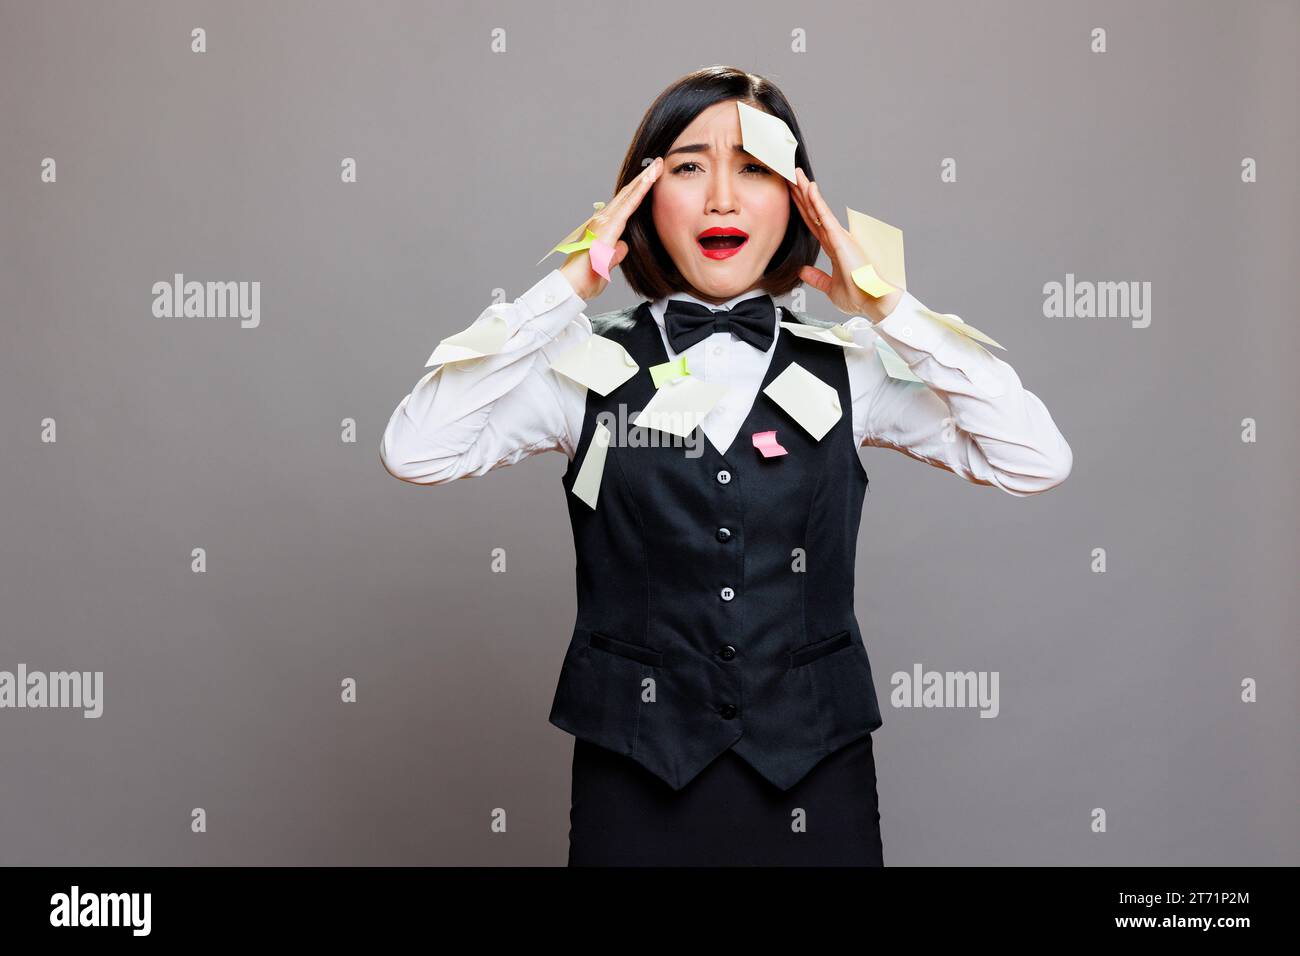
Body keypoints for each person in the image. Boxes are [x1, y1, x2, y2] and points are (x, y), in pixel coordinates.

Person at [380, 66, 1073, 866]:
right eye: (687, 166)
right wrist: (570, 284)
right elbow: (415, 449)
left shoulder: (856, 365)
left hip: (815, 772)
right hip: (634, 774)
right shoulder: (579, 364)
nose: (721, 198)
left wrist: (889, 308)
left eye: (754, 169)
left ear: (796, 200)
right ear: (639, 198)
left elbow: (1035, 460)